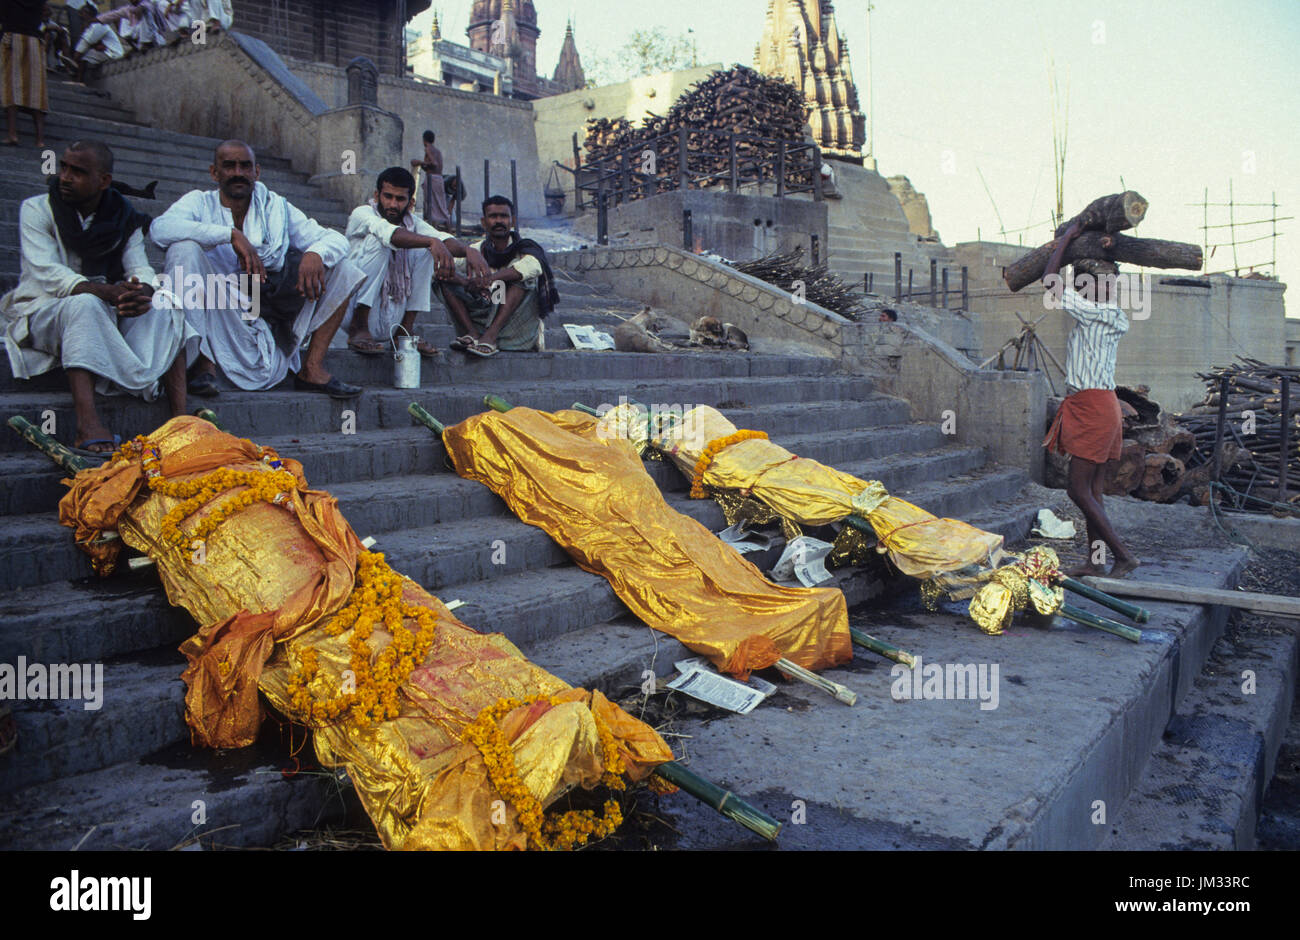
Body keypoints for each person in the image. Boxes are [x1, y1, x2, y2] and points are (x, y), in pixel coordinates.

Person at [1, 140, 194, 454]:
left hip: (104, 306)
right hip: (41, 307)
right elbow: (47, 272)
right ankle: (86, 425)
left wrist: (138, 292)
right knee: (86, 304)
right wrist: (108, 293)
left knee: (167, 302)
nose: (64, 176)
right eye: (63, 167)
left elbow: (140, 268)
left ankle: (179, 420)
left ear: (103, 180)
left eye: (77, 171)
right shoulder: (37, 208)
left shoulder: (123, 216)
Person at [151, 139, 365, 399]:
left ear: (257, 172)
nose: (238, 173)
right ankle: (199, 362)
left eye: (245, 166)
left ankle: (312, 368)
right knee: (183, 249)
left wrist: (315, 252)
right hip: (211, 306)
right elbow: (160, 229)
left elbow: (336, 239)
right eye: (229, 166)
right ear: (214, 172)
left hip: (263, 308)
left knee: (344, 269)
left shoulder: (275, 206)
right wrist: (229, 234)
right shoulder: (199, 203)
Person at [1041, 225, 1139, 578]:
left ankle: (1122, 555)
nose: (1084, 288)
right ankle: (1096, 561)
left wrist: (1064, 241)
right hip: (1102, 403)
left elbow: (1049, 281)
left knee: (1077, 490)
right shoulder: (1114, 315)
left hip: (1092, 406)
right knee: (1094, 490)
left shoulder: (1092, 312)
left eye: (1090, 283)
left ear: (1101, 287)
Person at [343, 165, 490, 358]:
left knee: (427, 250)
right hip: (350, 310)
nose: (393, 205)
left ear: (410, 203)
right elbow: (389, 233)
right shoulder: (362, 213)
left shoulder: (413, 223)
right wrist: (432, 241)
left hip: (388, 315)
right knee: (379, 242)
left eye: (400, 199)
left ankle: (404, 331)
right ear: (377, 195)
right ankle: (359, 327)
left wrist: (469, 250)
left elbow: (443, 239)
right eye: (388, 197)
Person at [437, 195, 558, 358]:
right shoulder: (476, 249)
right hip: (484, 311)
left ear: (512, 221)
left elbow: (533, 266)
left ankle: (491, 336)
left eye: (504, 216)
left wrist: (489, 279)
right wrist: (466, 282)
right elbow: (443, 265)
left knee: (523, 277)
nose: (499, 221)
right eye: (493, 216)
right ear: (484, 222)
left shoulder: (527, 247)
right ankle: (472, 334)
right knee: (442, 278)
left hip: (515, 326)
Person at [1, 0, 48, 147]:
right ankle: (40, 140)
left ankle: (12, 134)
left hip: (12, 37)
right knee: (36, 89)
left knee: (11, 86)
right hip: (35, 40)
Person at [409, 130, 453, 230]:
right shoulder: (437, 151)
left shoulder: (428, 149)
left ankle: (435, 229)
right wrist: (421, 164)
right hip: (438, 179)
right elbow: (430, 167)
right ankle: (446, 230)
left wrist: (419, 162)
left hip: (432, 180)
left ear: (424, 139)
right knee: (440, 206)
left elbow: (434, 164)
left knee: (432, 205)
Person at [71, 7, 125, 82]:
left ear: (88, 14)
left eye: (82, 13)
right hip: (105, 50)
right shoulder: (90, 26)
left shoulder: (99, 25)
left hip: (112, 53)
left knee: (83, 57)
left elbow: (86, 42)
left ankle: (79, 81)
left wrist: (76, 56)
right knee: (85, 54)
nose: (80, 15)